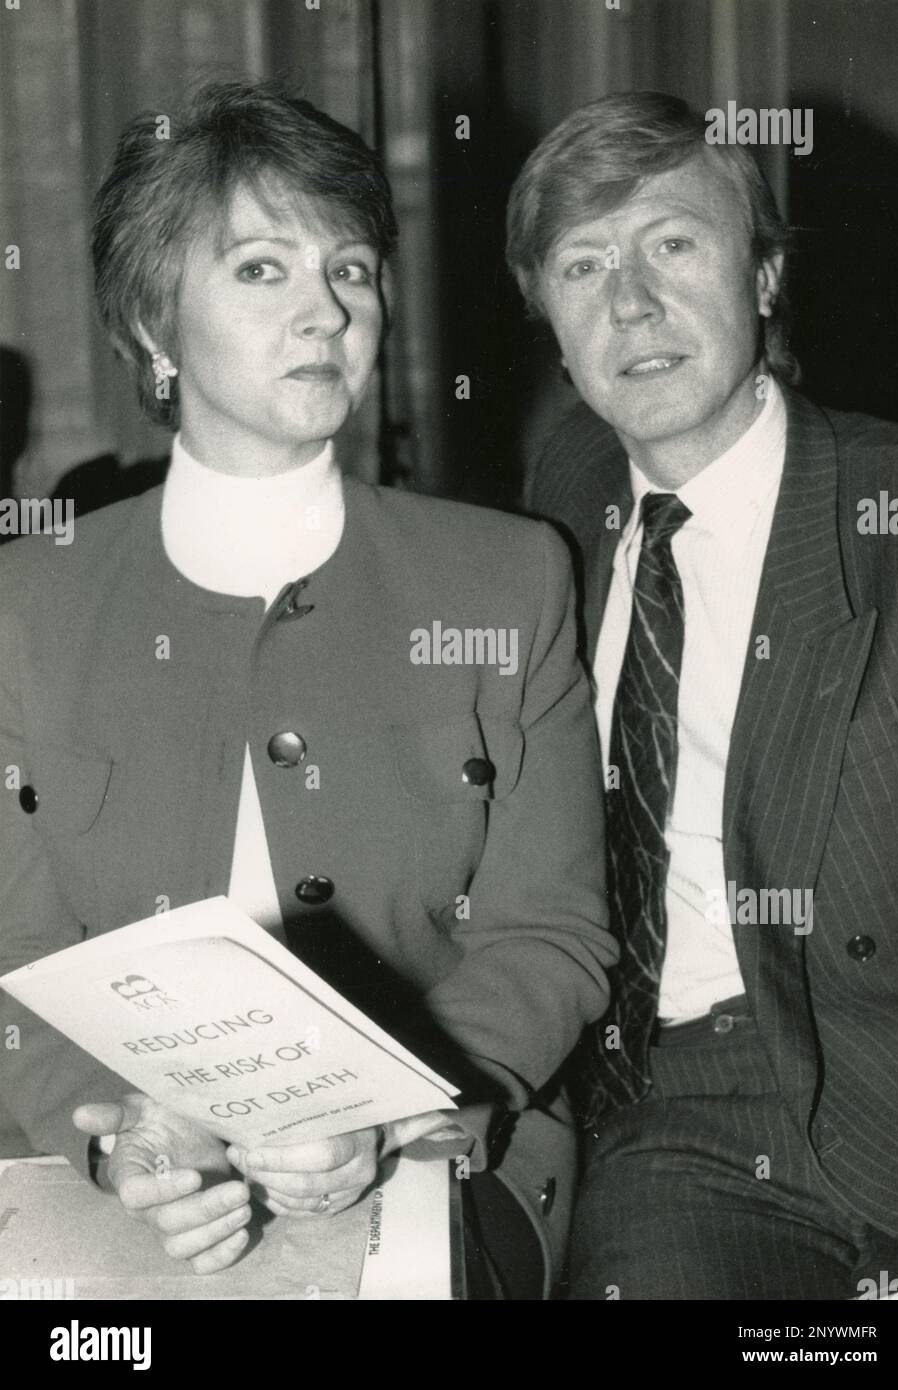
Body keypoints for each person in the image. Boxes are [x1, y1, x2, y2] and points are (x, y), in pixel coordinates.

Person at [0, 80, 617, 1299]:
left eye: (351, 270)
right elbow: (16, 945)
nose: (326, 310)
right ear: (151, 326)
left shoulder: (507, 574)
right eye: (263, 270)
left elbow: (554, 931)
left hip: (443, 1161)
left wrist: (386, 1118)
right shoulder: (30, 599)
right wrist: (118, 1132)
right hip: (117, 1182)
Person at [510, 90, 898, 1300]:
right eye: (584, 264)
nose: (629, 302)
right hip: (678, 1114)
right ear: (549, 314)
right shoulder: (563, 493)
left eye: (674, 244)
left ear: (764, 277)